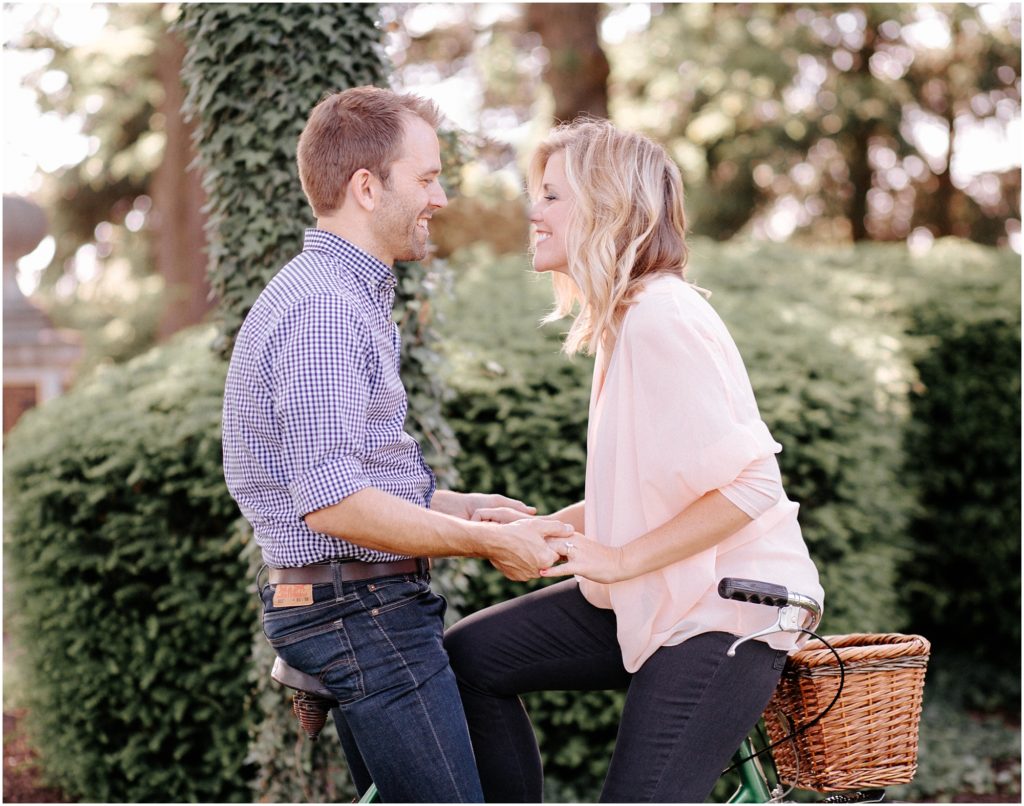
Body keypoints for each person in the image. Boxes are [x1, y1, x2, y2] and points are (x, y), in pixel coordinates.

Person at [443, 119, 824, 803]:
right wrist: (559, 527)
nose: (533, 211)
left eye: (553, 196)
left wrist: (617, 559)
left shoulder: (660, 318)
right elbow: (660, 485)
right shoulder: (629, 318)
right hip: (665, 592)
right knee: (472, 658)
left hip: (730, 611)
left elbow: (753, 484)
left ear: (609, 207)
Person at [221, 86, 569, 803]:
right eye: (428, 177)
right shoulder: (323, 309)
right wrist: (484, 545)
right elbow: (332, 503)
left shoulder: (344, 296)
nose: (440, 198)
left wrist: (462, 508)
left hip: (363, 606)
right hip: (359, 614)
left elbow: (345, 475)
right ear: (366, 186)